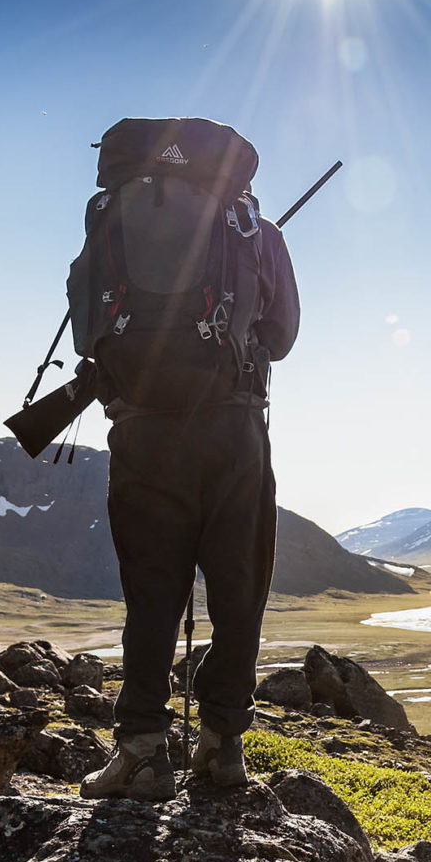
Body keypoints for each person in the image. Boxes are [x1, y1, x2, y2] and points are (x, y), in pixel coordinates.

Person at [82, 211, 300, 801]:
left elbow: (88, 328)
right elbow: (280, 337)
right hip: (235, 433)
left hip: (142, 435)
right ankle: (223, 744)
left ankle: (142, 751)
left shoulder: (115, 223)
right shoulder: (255, 232)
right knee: (239, 589)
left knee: (151, 597)